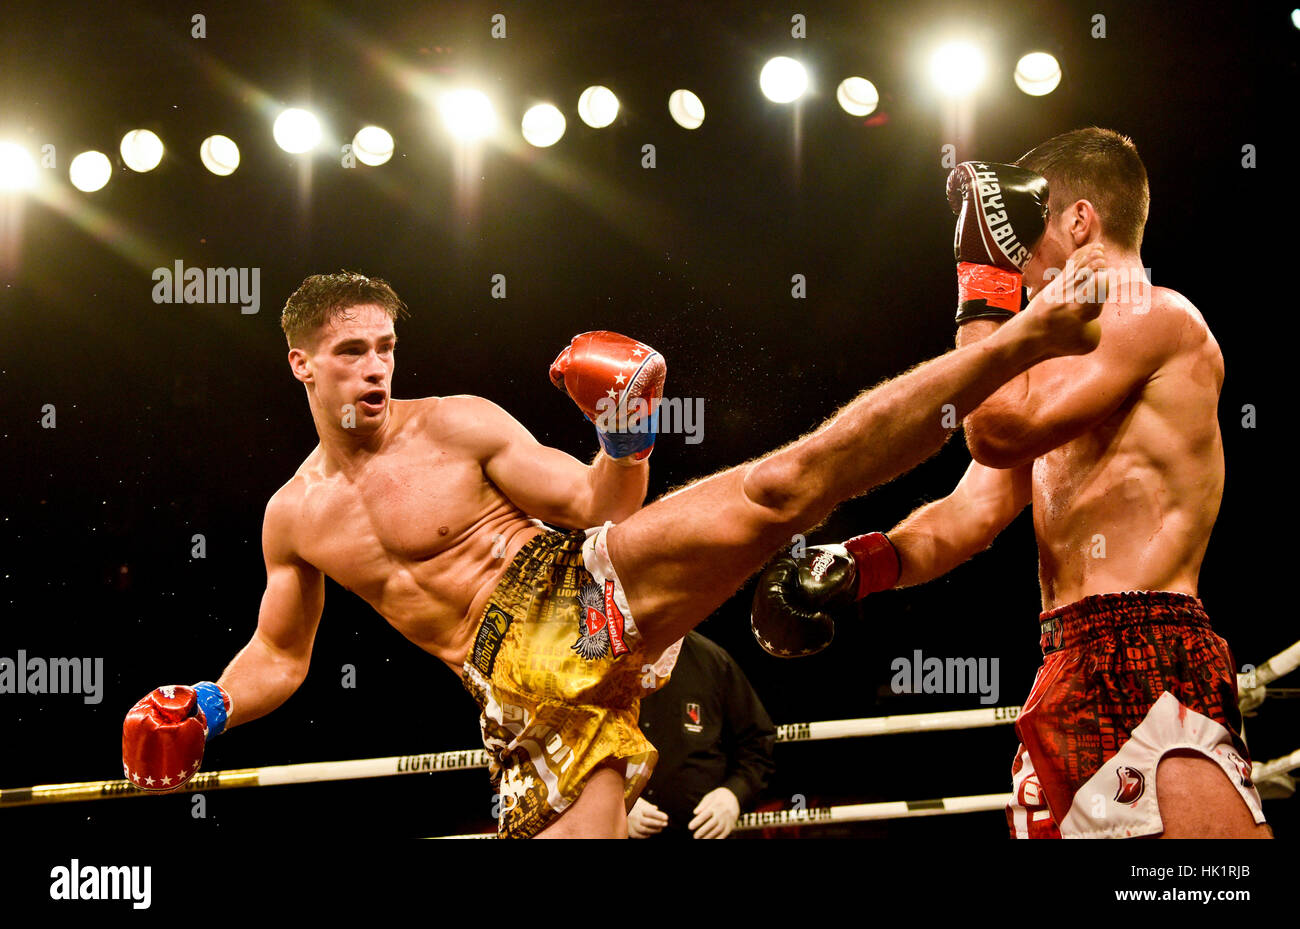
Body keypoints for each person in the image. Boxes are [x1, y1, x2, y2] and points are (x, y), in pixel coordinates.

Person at [122, 251, 1106, 838]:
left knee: (780, 483)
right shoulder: (293, 514)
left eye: (383, 345)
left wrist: (625, 433)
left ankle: (1002, 337)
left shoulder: (460, 422)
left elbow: (600, 505)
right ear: (300, 362)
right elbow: (280, 654)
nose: (375, 366)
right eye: (350, 350)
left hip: (575, 587)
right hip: (511, 682)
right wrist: (206, 703)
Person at [752, 128, 1270, 839]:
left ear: (1078, 220)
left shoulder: (1153, 313)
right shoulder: (1057, 369)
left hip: (1148, 647)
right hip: (1068, 658)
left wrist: (982, 291)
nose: (1014, 261)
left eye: (1020, 236)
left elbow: (993, 429)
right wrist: (853, 565)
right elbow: (971, 512)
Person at [627, 631, 775, 839]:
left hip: (702, 833)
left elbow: (757, 742)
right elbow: (575, 746)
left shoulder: (712, 660)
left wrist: (733, 794)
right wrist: (615, 803)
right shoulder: (595, 658)